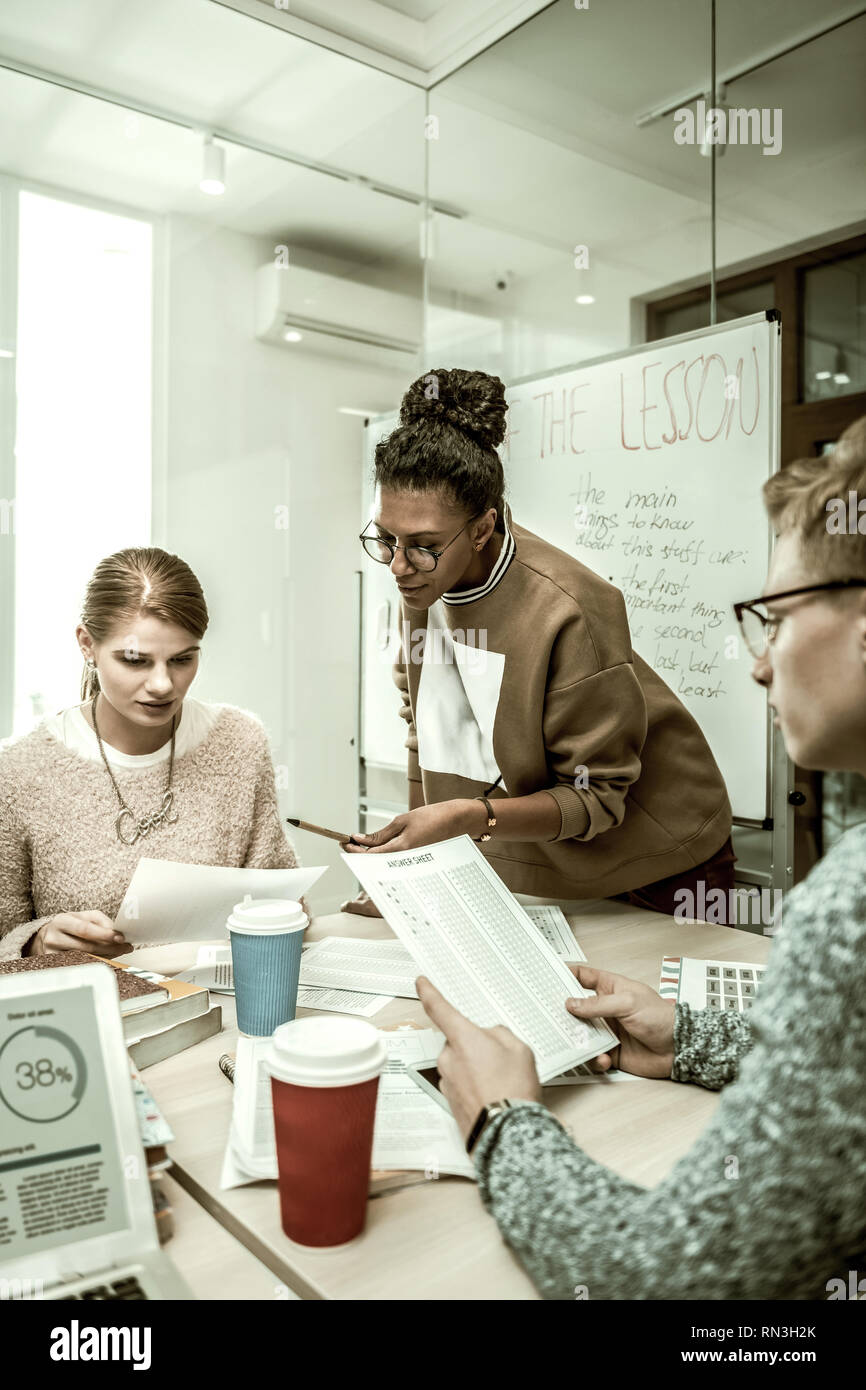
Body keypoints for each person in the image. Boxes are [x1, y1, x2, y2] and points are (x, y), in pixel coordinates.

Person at [415, 417, 866, 1299]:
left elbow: (670, 1277)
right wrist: (694, 1036)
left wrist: (503, 1119)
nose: (760, 667)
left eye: (775, 617)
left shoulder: (849, 903)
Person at [345, 367, 734, 916]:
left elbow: (596, 797)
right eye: (386, 539)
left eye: (424, 544)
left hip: (657, 857)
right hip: (524, 845)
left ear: (482, 529)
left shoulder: (570, 607)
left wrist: (464, 818)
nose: (399, 565)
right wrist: (406, 864)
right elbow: (424, 728)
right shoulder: (422, 583)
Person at [0, 547, 301, 961]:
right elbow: (6, 937)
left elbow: (281, 902)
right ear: (87, 644)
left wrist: (287, 912)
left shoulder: (239, 742)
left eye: (182, 659)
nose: (163, 684)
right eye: (135, 661)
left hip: (225, 1007)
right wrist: (35, 942)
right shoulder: (20, 769)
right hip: (89, 1013)